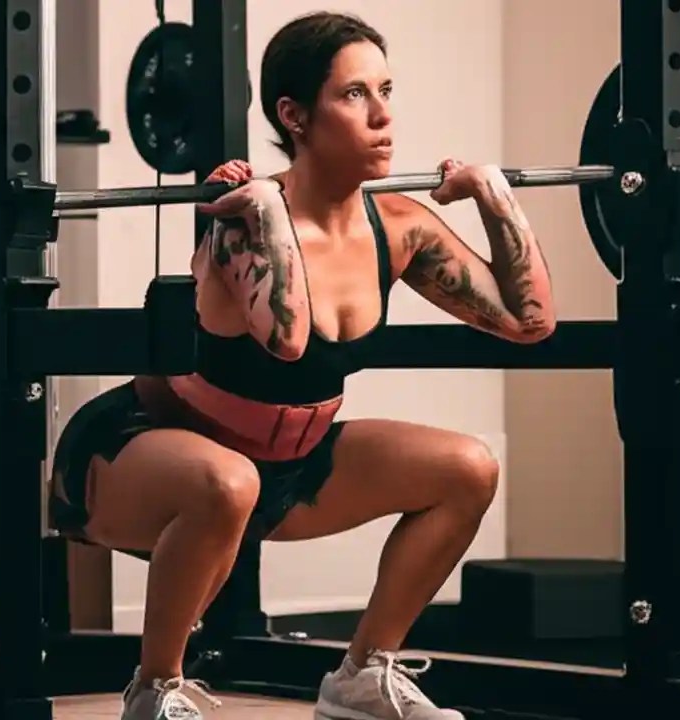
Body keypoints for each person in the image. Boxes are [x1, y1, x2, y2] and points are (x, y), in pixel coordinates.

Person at [49, 10, 556, 720]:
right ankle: (155, 688)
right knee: (228, 483)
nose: (383, 115)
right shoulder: (240, 226)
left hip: (287, 470)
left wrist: (494, 197)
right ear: (294, 115)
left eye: (386, 90)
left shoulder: (399, 227)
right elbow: (286, 338)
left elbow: (530, 321)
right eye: (354, 95)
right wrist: (265, 210)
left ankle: (360, 676)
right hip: (138, 453)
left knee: (466, 468)